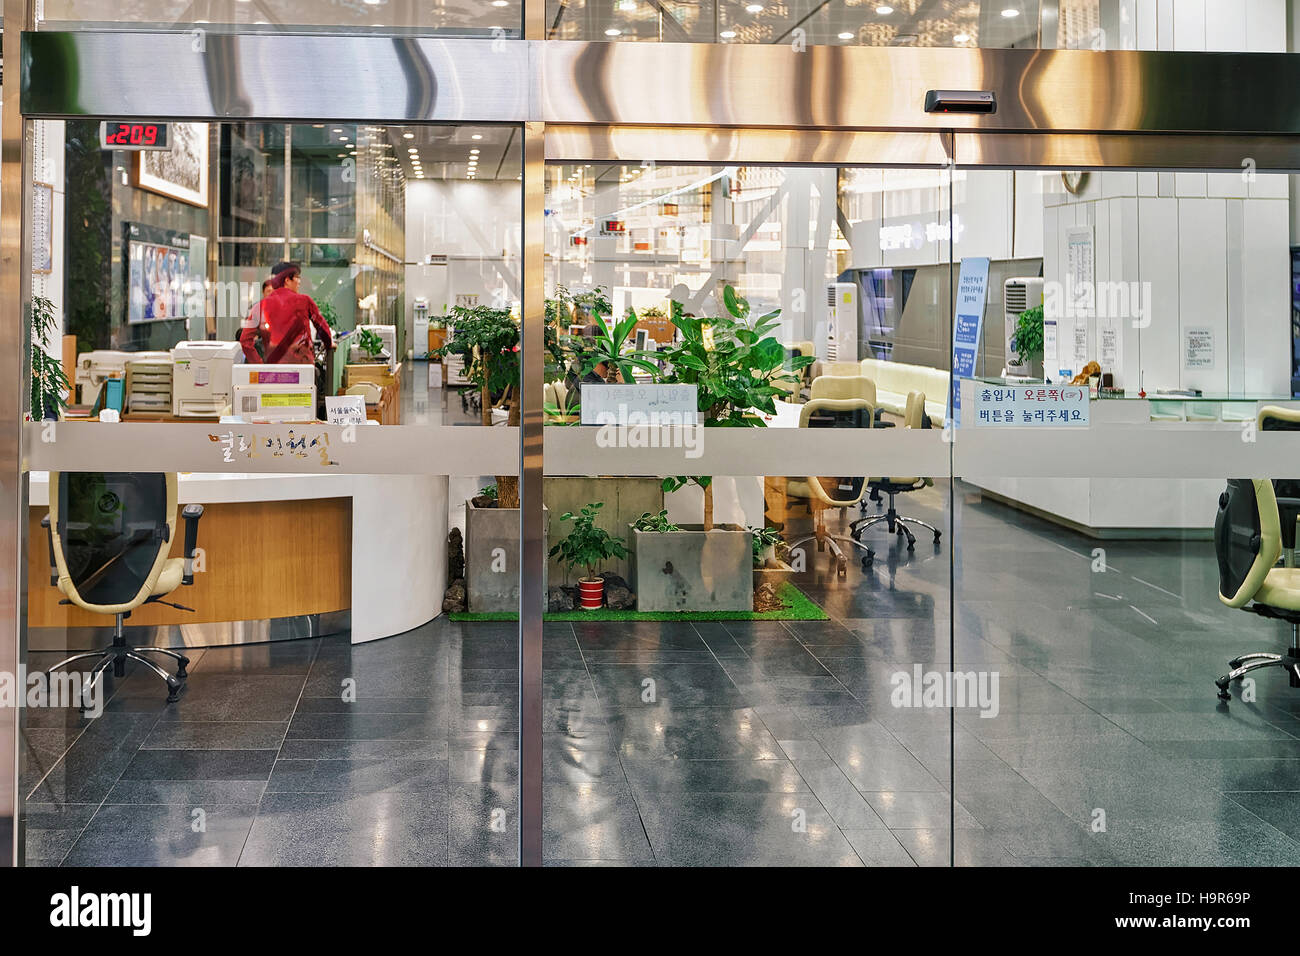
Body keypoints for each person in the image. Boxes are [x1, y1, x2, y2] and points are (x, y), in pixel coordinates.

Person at [238, 262, 333, 365]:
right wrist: (329, 344)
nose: (299, 282)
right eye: (297, 277)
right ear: (287, 280)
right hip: (302, 369)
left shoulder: (260, 306)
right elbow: (322, 328)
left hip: (273, 370)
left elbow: (245, 340)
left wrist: (258, 364)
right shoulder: (304, 301)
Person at [239, 278, 274, 362]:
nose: (271, 294)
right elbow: (245, 336)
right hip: (257, 351)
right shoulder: (256, 309)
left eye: (274, 291)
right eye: (269, 291)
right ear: (263, 293)